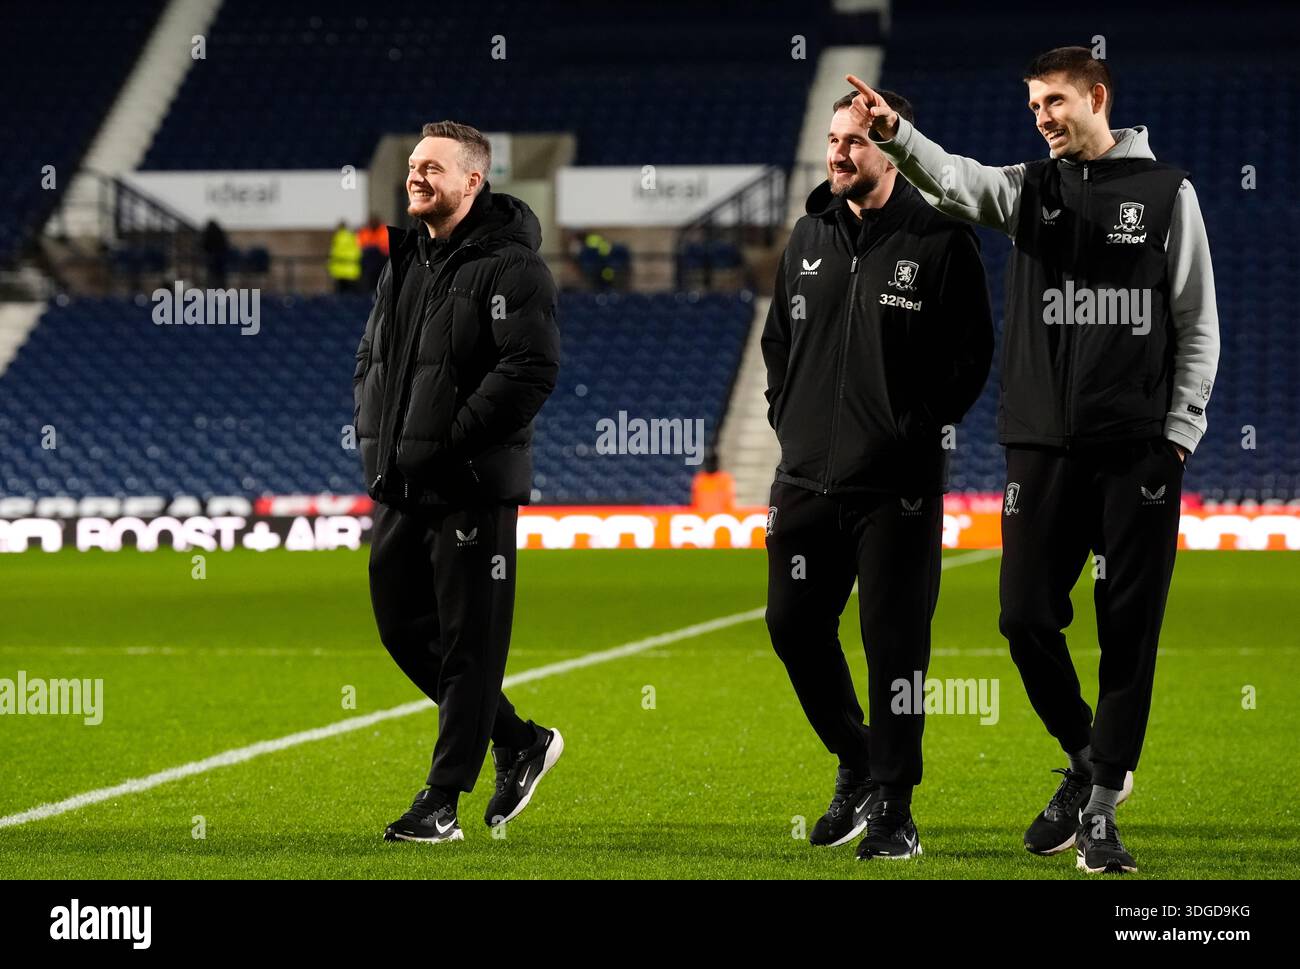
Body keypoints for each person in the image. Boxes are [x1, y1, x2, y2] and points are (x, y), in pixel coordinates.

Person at [846, 46, 1220, 873]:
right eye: (1034, 107)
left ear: (1096, 96)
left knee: (1130, 633)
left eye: (1054, 102)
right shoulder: (1032, 189)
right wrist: (897, 133)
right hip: (1041, 447)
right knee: (1022, 615)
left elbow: (1197, 322)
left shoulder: (1167, 195)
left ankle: (1098, 813)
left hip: (1139, 454)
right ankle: (1092, 757)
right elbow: (956, 181)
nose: (1043, 117)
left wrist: (1177, 436)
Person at [762, 88, 993, 861]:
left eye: (853, 141)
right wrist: (789, 421)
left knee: (896, 649)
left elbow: (971, 357)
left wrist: (912, 430)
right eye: (832, 138)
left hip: (896, 486)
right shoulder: (806, 236)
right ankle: (858, 757)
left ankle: (895, 807)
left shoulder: (941, 238)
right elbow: (778, 346)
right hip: (804, 479)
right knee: (792, 627)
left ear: (888, 149)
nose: (837, 152)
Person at [353, 121, 563, 843]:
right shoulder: (407, 258)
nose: (415, 176)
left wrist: (448, 440)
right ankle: (520, 739)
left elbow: (530, 369)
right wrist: (373, 432)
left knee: (470, 643)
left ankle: (440, 800)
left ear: (473, 181)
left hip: (472, 485)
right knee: (400, 626)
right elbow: (374, 356)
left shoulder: (513, 268)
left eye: (432, 167)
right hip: (404, 480)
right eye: (413, 164)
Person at [357, 213, 389, 295]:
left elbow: (385, 246)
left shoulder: (384, 230)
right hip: (368, 262)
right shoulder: (364, 231)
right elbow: (361, 245)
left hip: (381, 261)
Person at [328, 220, 362, 293]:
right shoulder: (352, 236)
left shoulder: (337, 237)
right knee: (353, 295)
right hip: (352, 269)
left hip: (339, 270)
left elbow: (334, 253)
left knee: (340, 295)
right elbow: (358, 251)